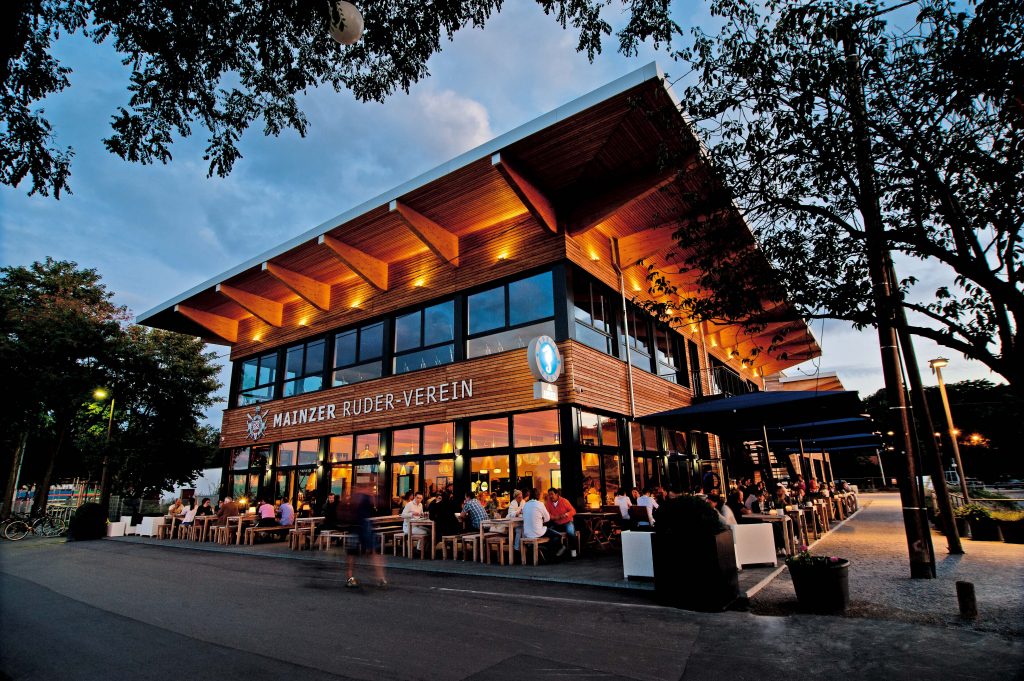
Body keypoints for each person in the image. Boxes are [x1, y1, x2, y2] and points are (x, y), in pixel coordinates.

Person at [342, 492, 387, 589]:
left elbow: (376, 506)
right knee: (356, 552)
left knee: (371, 552)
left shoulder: (362, 495)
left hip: (363, 524)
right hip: (360, 524)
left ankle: (380, 578)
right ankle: (380, 578)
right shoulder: (360, 495)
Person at [522, 487, 565, 560]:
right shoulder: (540, 504)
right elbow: (547, 518)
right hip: (538, 532)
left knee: (548, 532)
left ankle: (543, 550)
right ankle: (550, 553)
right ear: (538, 495)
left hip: (527, 533)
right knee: (557, 536)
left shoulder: (525, 505)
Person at [544, 488, 577, 556]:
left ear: (557, 494)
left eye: (552, 494)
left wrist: (567, 514)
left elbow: (573, 511)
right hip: (556, 523)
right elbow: (547, 514)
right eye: (549, 495)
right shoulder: (548, 503)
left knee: (570, 533)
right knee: (550, 533)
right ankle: (559, 549)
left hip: (567, 521)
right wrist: (555, 517)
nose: (550, 496)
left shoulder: (564, 501)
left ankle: (573, 552)